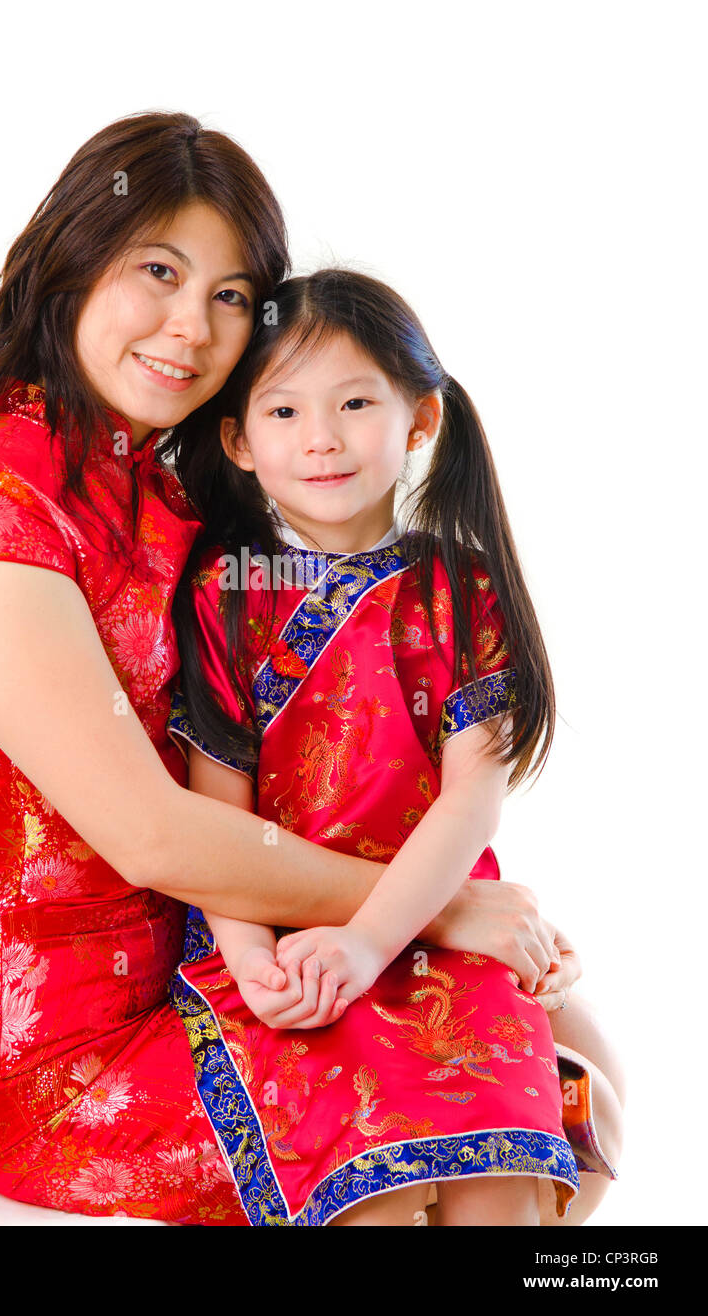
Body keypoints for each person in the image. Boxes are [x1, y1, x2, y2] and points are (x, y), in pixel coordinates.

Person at [0, 111, 613, 1227]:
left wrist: (412, 921)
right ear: (72, 259)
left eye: (230, 294)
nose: (191, 327)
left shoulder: (162, 488)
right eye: (158, 270)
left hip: (226, 957)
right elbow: (153, 837)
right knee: (419, 1169)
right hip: (59, 1044)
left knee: (575, 1108)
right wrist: (434, 912)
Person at [165, 269, 622, 1225]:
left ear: (419, 420)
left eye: (355, 403)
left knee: (501, 1179)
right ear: (239, 441)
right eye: (284, 410)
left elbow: (470, 800)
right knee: (368, 1193)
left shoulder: (462, 588)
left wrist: (373, 940)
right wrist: (250, 960)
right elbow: (215, 816)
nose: (321, 437)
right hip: (281, 943)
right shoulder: (224, 595)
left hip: (439, 927)